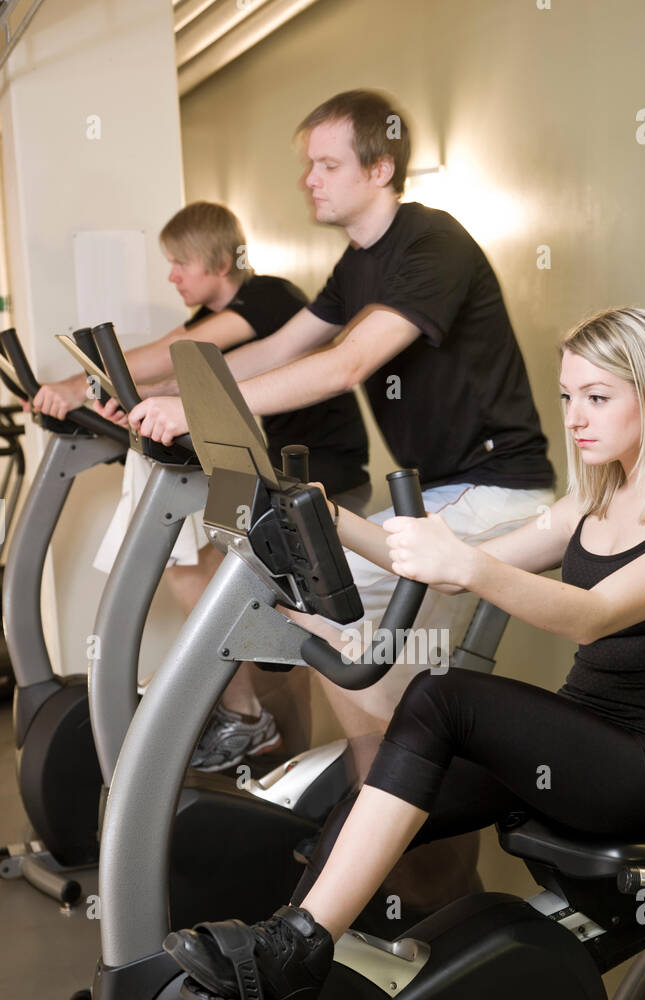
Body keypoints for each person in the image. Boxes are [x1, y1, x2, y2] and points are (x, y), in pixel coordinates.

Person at [163, 305, 645, 1000]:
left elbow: (591, 615)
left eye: (597, 397)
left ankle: (298, 950)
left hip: (644, 768)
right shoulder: (595, 500)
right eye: (567, 397)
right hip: (573, 748)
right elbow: (441, 571)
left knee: (441, 698)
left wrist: (465, 562)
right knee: (364, 801)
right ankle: (279, 976)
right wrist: (315, 509)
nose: (574, 418)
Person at [127, 92, 557, 770]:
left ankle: (391, 792)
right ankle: (384, 792)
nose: (308, 180)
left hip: (497, 491)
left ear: (379, 168)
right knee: (331, 613)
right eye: (308, 166)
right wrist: (179, 395)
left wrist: (191, 410)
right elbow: (281, 349)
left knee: (330, 602)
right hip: (440, 497)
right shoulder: (357, 263)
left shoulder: (431, 242)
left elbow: (344, 364)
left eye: (326, 165)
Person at [31, 201, 371, 767]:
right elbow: (176, 361)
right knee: (223, 585)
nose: (172, 276)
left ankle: (281, 743)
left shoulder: (267, 298)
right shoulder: (223, 312)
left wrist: (76, 387)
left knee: (260, 607)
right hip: (269, 474)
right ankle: (257, 735)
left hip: (318, 482)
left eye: (179, 263)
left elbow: (177, 356)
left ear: (216, 261)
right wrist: (123, 397)